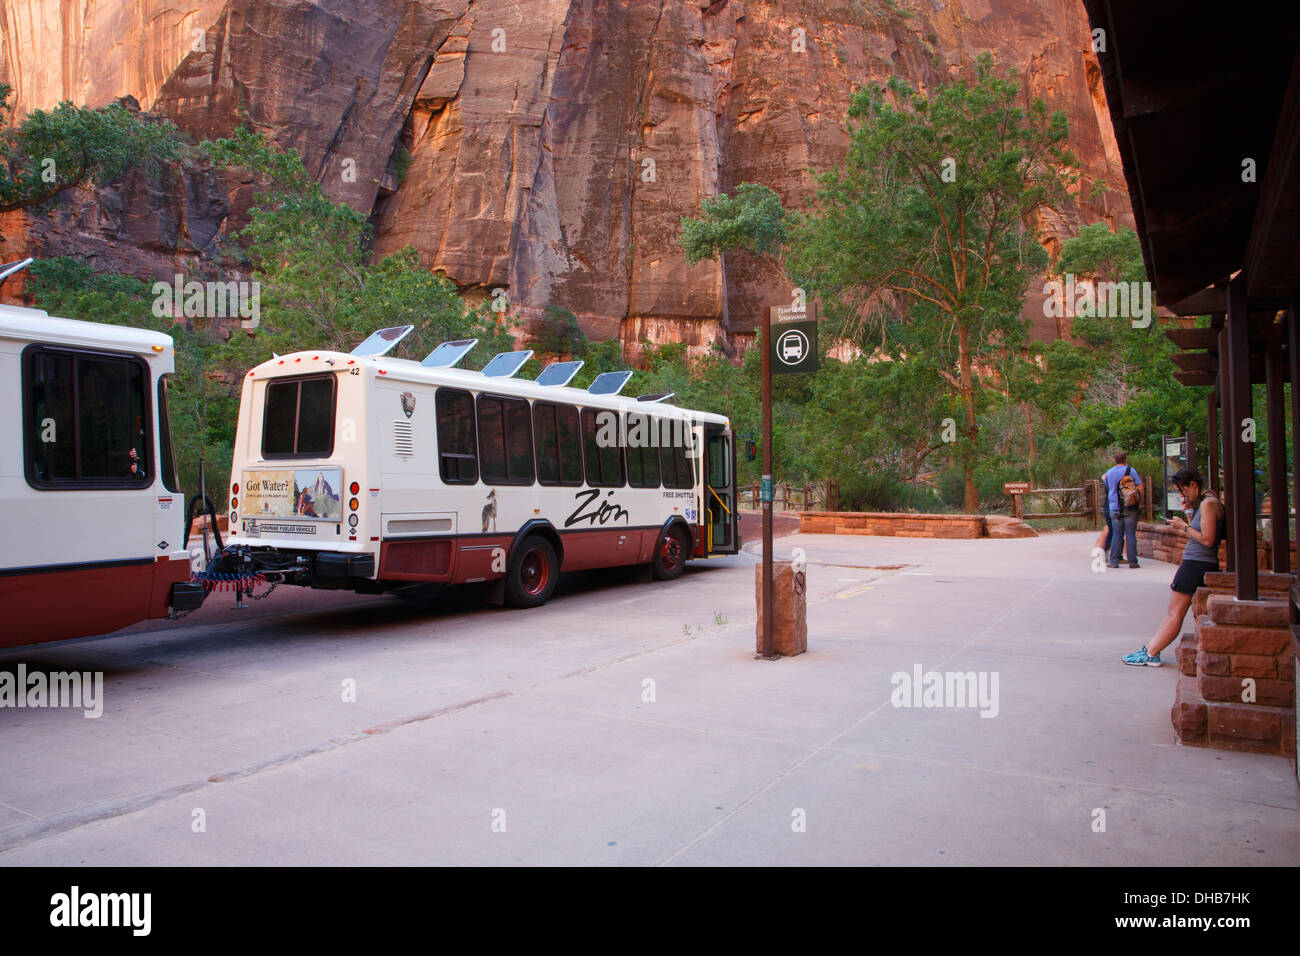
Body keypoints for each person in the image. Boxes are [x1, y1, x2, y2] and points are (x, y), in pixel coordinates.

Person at [1122, 467, 1225, 666]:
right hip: (1196, 561)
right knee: (1174, 610)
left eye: (1182, 490)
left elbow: (1207, 539)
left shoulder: (1209, 504)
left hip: (1197, 563)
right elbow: (1199, 531)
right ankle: (1151, 649)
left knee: (1175, 612)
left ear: (1193, 485)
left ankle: (1152, 652)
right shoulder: (1205, 503)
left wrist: (1183, 527)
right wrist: (1187, 513)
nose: (1181, 495)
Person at [1103, 452, 1143, 568]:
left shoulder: (1109, 473)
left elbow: (1107, 487)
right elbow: (1140, 487)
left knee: (1117, 533)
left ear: (1115, 460)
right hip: (1130, 507)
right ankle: (1133, 562)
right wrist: (1139, 503)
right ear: (1125, 459)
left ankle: (1114, 561)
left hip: (1114, 507)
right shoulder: (1130, 471)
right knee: (1130, 534)